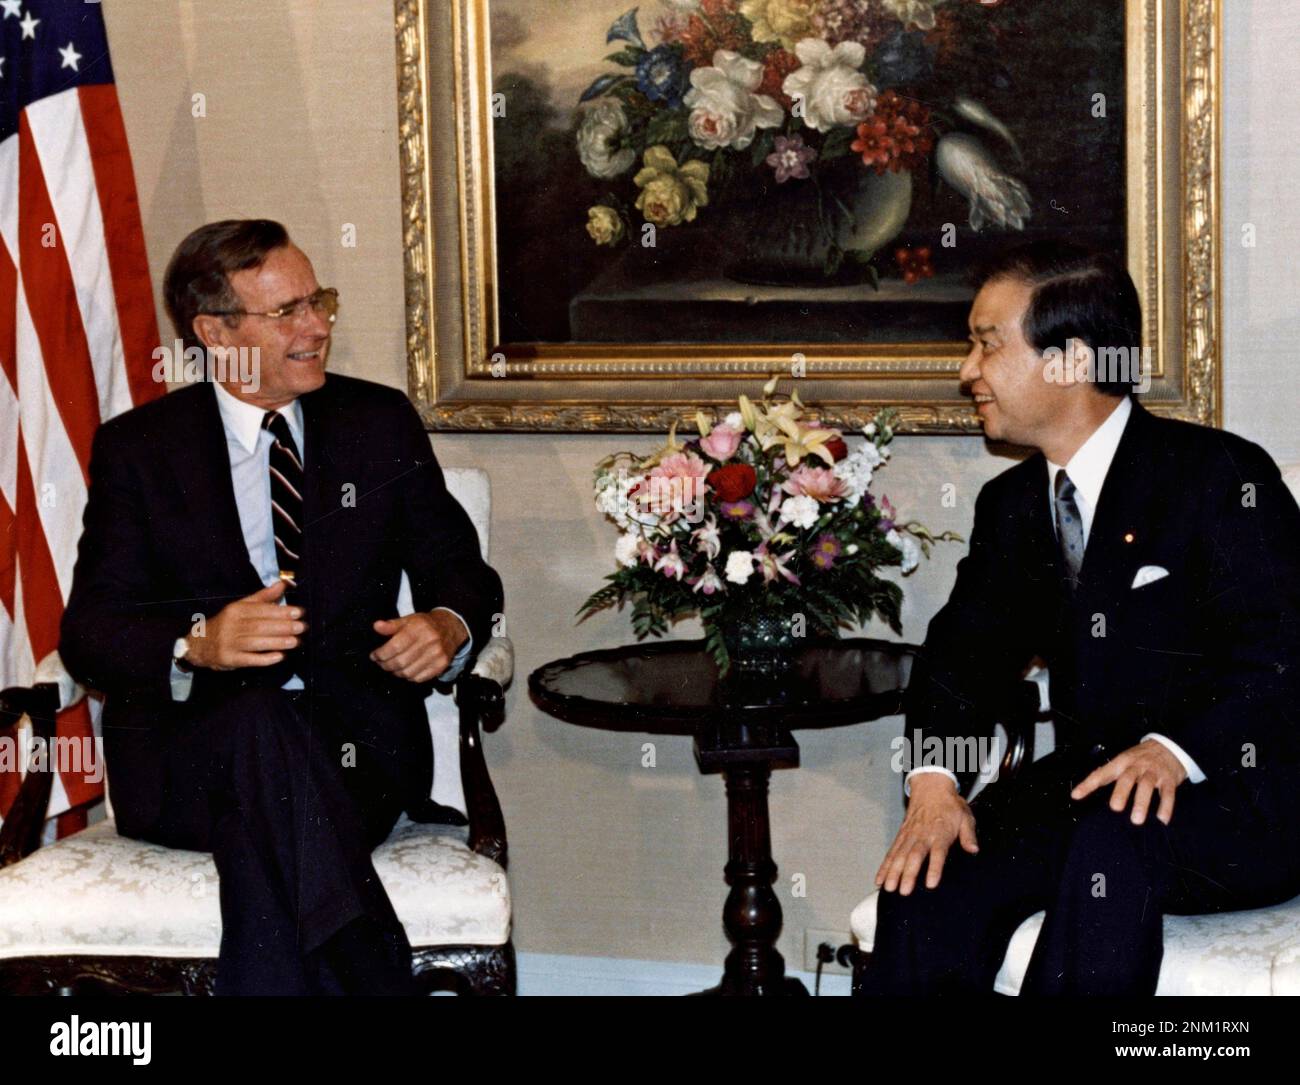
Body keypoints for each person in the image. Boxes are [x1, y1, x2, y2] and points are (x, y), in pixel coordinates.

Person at [59, 219, 504, 995]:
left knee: (270, 787)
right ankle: (372, 972)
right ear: (213, 332)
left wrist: (447, 625)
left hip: (353, 755)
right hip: (184, 764)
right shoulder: (139, 449)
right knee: (259, 728)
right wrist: (196, 643)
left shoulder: (377, 423)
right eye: (288, 311)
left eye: (319, 300)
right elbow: (89, 633)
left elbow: (460, 568)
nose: (319, 326)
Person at [862, 240, 1300, 995]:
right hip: (1091, 789)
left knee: (1111, 838)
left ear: (1071, 360)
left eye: (987, 344)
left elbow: (1282, 655)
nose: (967, 370)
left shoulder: (1220, 477)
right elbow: (961, 659)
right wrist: (935, 781)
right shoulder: (1011, 507)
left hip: (1235, 798)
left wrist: (1171, 749)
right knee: (931, 869)